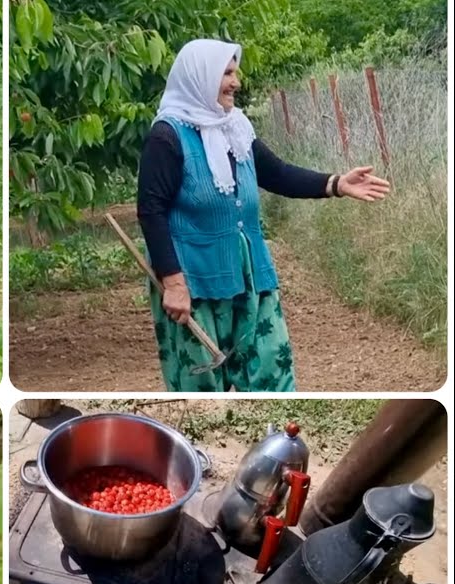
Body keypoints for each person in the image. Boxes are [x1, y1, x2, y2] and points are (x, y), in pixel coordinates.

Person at [136, 39, 390, 392]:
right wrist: (174, 284)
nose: (235, 82)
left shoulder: (235, 128)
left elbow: (278, 173)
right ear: (200, 77)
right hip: (195, 280)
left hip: (250, 272)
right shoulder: (167, 137)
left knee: (272, 368)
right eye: (226, 73)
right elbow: (151, 211)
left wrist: (336, 183)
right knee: (202, 385)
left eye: (234, 72)